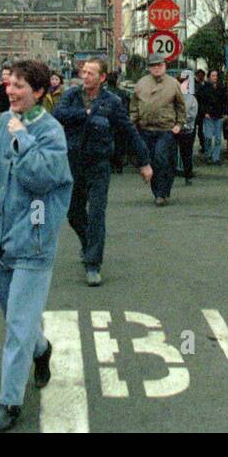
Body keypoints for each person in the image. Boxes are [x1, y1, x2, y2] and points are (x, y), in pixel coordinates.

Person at [0, 58, 72, 432]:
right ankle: (41, 350)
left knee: (17, 327)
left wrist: (22, 139)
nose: (10, 91)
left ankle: (9, 402)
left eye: (20, 86)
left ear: (39, 92)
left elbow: (43, 179)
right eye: (9, 84)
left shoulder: (50, 132)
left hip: (32, 245)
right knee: (17, 319)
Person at [52, 58, 152, 286]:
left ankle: (93, 264)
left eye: (90, 73)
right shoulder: (72, 96)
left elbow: (128, 132)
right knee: (74, 213)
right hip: (73, 162)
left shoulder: (112, 102)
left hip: (99, 164)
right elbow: (58, 115)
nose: (85, 76)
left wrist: (144, 162)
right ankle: (88, 244)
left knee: (97, 213)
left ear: (102, 78)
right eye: (84, 72)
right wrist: (85, 114)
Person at [130, 58, 186, 206]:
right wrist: (132, 123)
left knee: (162, 158)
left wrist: (179, 124)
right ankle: (158, 192)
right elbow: (134, 105)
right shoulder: (141, 83)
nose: (156, 68)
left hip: (166, 129)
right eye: (153, 66)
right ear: (149, 68)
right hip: (146, 129)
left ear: (165, 66)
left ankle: (163, 192)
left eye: (159, 65)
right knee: (151, 162)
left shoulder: (173, 83)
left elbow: (181, 106)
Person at [197, 67, 228, 165]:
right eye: (213, 76)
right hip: (208, 116)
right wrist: (205, 112)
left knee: (218, 138)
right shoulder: (204, 88)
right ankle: (208, 155)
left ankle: (216, 158)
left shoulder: (222, 87)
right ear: (209, 77)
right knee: (208, 137)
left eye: (216, 76)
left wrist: (225, 112)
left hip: (218, 115)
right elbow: (201, 102)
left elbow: (225, 101)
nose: (215, 77)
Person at [175, 71, 199, 184]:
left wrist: (180, 120)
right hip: (179, 129)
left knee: (186, 154)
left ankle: (187, 174)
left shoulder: (191, 98)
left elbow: (192, 115)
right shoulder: (175, 96)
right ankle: (180, 173)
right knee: (178, 153)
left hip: (185, 129)